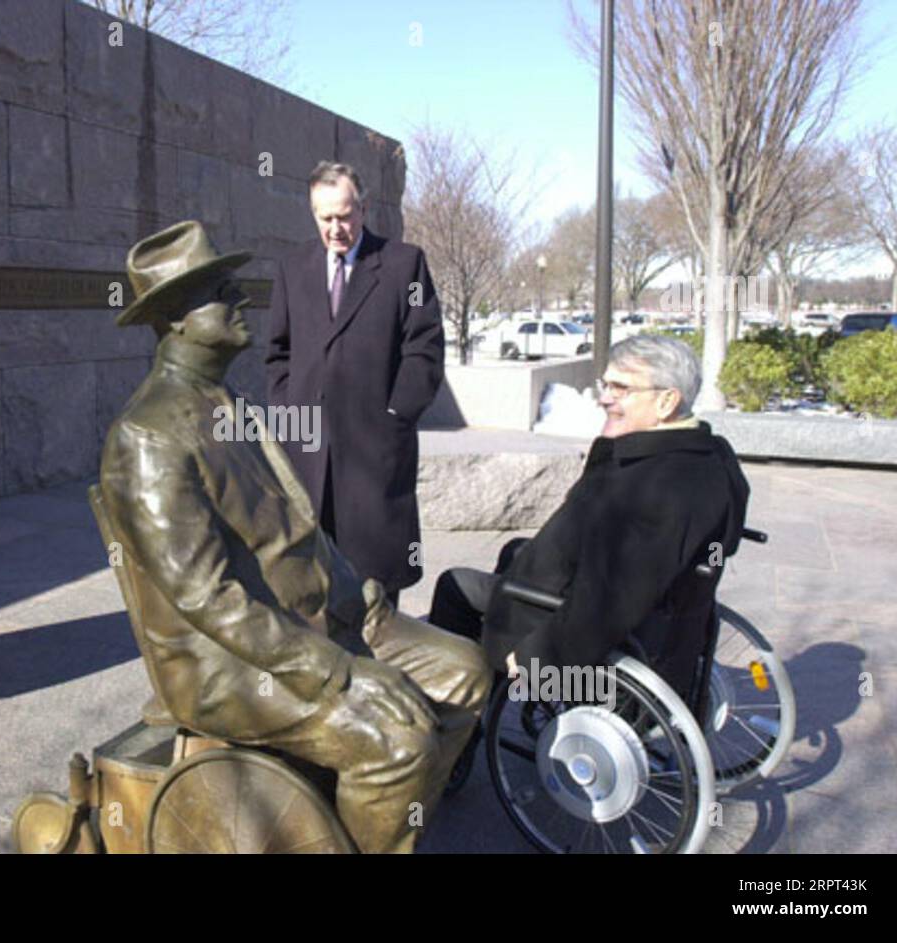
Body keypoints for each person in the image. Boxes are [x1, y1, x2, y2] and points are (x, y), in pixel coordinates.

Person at [99, 221, 489, 853]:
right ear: (175, 316)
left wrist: (356, 597)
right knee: (398, 742)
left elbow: (295, 526)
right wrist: (339, 672)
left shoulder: (228, 403)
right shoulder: (148, 438)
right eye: (222, 290)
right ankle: (374, 811)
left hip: (321, 614)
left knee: (467, 673)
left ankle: (379, 821)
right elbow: (209, 600)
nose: (242, 299)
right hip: (227, 665)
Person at [429, 334, 751, 701]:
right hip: (660, 625)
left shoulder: (656, 486)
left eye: (621, 388)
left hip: (578, 642)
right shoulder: (709, 456)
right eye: (606, 384)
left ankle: (451, 723)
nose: (604, 398)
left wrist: (541, 657)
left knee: (455, 586)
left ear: (666, 401)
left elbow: (611, 598)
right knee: (515, 549)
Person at [266, 161, 445, 606]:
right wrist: (289, 415)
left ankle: (381, 668)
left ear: (363, 209)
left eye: (344, 215)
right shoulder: (293, 268)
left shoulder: (405, 265)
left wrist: (395, 415)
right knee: (313, 582)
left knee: (375, 583)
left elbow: (424, 348)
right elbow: (278, 353)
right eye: (325, 217)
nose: (336, 228)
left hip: (374, 449)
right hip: (308, 452)